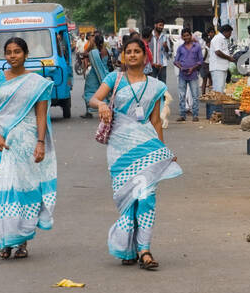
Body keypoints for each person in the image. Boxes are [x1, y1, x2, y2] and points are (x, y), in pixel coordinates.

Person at [89, 35, 182, 270]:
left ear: (145, 55)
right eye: (128, 51)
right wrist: (101, 105)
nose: (132, 55)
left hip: (147, 146)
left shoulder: (156, 86)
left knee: (146, 197)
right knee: (128, 198)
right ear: (123, 56)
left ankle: (144, 249)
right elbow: (94, 98)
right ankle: (127, 248)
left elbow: (156, 121)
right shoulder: (115, 78)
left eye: (136, 51)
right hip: (120, 149)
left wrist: (163, 150)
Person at [0, 36, 57, 260]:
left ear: (25, 54)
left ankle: (21, 241)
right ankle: (6, 239)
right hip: (1, 142)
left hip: (26, 141)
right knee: (1, 191)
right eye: (9, 52)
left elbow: (41, 115)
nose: (13, 56)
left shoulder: (37, 82)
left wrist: (40, 143)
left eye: (17, 52)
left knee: (25, 191)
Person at [174, 27, 206, 121]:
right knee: (182, 96)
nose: (186, 37)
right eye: (184, 36)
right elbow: (176, 61)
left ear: (190, 36)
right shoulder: (180, 48)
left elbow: (200, 61)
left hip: (193, 75)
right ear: (182, 37)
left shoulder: (197, 47)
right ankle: (182, 115)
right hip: (182, 75)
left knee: (195, 95)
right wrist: (181, 67)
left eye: (188, 35)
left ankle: (195, 115)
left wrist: (193, 68)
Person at [82, 32, 110, 117]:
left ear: (95, 42)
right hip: (105, 74)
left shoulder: (93, 52)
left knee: (88, 92)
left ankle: (89, 112)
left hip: (94, 76)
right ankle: (106, 107)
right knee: (104, 92)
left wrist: (90, 43)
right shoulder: (107, 50)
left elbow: (84, 54)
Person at [207, 23, 237, 96]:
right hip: (218, 68)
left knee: (220, 89)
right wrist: (229, 58)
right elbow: (218, 52)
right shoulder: (218, 38)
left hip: (222, 68)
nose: (230, 35)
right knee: (218, 90)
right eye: (230, 33)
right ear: (225, 32)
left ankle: (218, 106)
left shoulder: (222, 39)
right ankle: (216, 107)